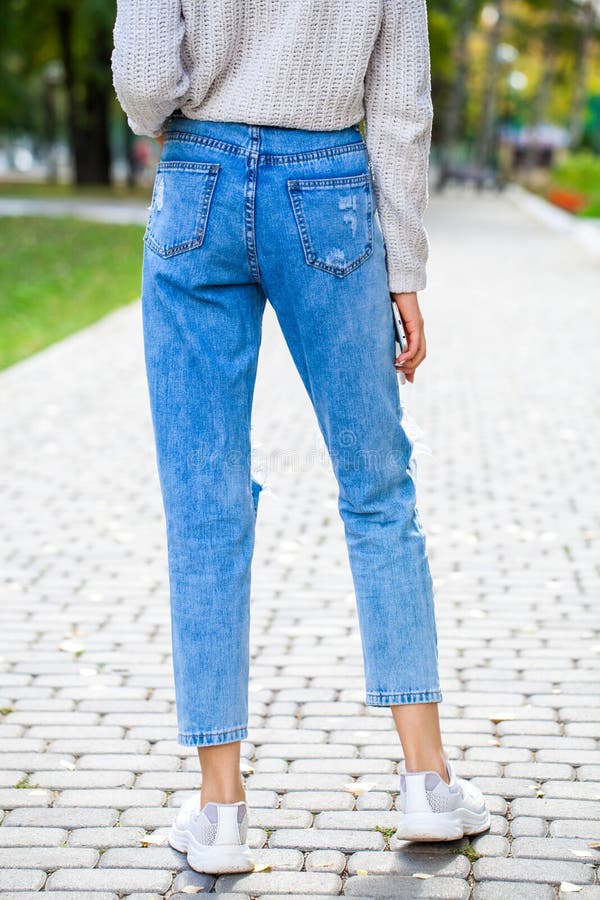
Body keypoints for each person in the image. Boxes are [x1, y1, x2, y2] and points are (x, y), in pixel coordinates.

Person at [111, 0, 491, 874]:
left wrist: (167, 114)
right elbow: (400, 107)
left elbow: (139, 76)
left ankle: (220, 812)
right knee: (378, 490)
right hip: (328, 185)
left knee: (205, 509)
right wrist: (405, 268)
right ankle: (427, 784)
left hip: (196, 181)